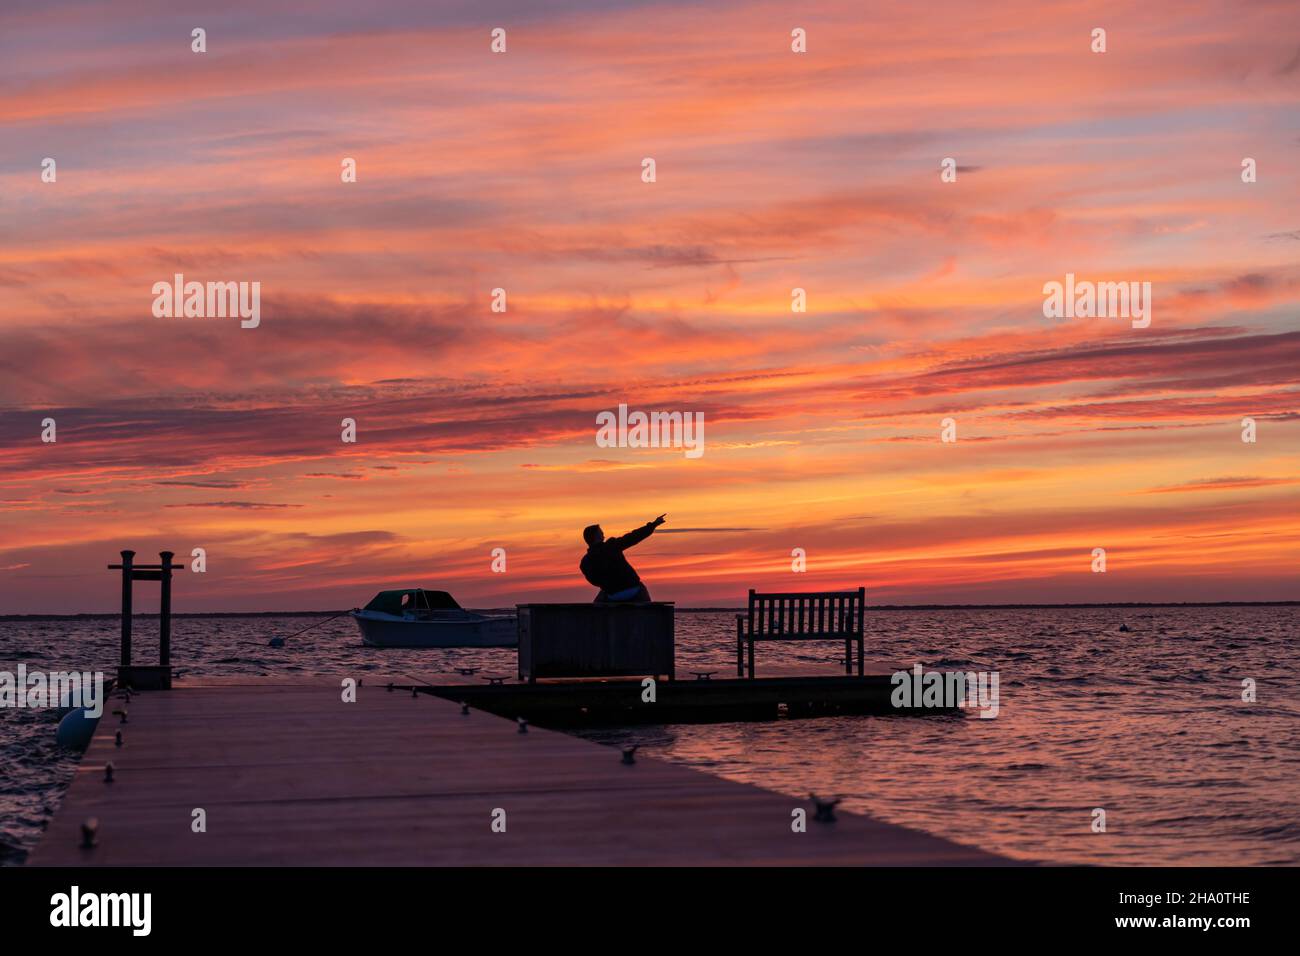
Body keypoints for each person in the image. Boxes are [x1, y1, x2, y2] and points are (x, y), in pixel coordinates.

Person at [579, 514, 666, 603]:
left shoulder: (585, 562)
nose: (604, 536)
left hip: (612, 595)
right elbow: (633, 537)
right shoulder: (611, 546)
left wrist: (607, 585)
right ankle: (649, 613)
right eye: (601, 533)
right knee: (642, 591)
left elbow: (593, 580)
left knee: (601, 596)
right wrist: (653, 525)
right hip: (633, 590)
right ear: (597, 536)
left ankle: (599, 615)